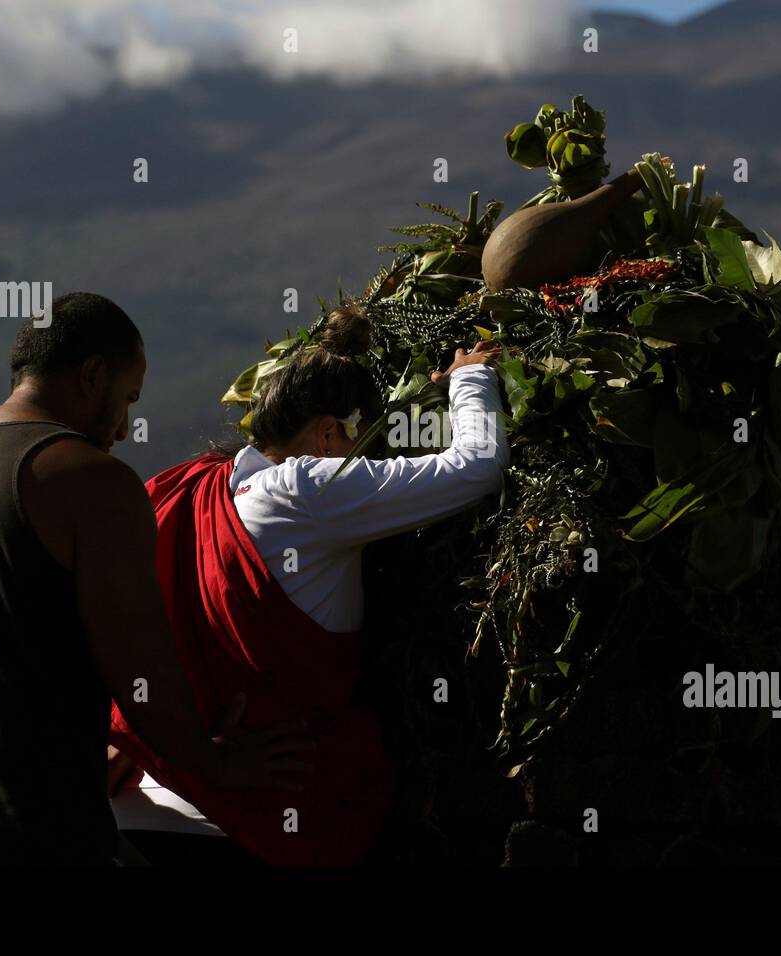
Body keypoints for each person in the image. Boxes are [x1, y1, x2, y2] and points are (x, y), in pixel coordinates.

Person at [0, 292, 313, 866]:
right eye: (127, 399)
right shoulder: (90, 481)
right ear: (93, 374)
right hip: (31, 846)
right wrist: (218, 760)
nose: (125, 429)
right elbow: (139, 671)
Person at [108, 306, 509, 866]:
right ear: (326, 433)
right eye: (363, 446)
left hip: (140, 811)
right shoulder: (309, 488)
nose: (366, 467)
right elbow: (476, 466)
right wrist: (470, 377)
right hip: (249, 826)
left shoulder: (191, 486)